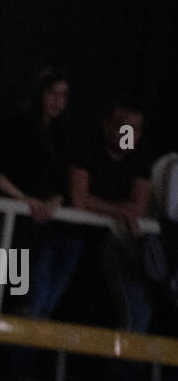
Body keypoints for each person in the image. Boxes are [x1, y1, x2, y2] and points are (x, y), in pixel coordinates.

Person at [0, 69, 80, 324]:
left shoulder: (63, 134)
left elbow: (67, 181)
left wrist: (56, 200)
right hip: (21, 224)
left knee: (41, 308)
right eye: (52, 93)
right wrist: (24, 199)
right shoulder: (16, 125)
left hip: (52, 225)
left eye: (63, 95)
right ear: (39, 93)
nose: (57, 101)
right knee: (26, 303)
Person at [67, 97, 153, 333]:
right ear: (108, 126)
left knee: (131, 313)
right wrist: (119, 209)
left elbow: (138, 207)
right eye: (125, 127)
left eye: (136, 129)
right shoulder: (87, 148)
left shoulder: (140, 159)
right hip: (73, 239)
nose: (130, 135)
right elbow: (79, 199)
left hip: (116, 247)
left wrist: (101, 206)